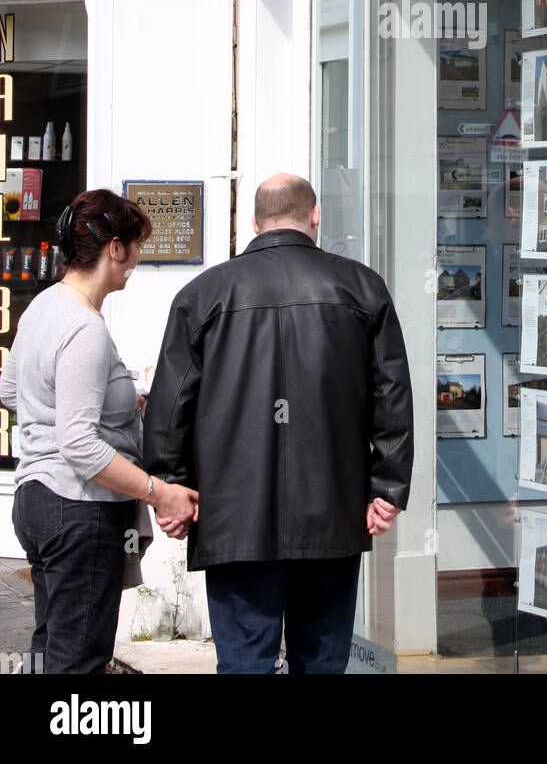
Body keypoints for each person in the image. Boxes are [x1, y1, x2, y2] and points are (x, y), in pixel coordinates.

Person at [143, 173, 413, 675]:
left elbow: (169, 407)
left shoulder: (202, 295)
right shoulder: (362, 288)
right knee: (323, 661)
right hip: (332, 511)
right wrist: (389, 487)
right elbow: (392, 396)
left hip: (232, 517)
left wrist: (170, 488)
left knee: (244, 663)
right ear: (314, 216)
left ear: (255, 222)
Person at [0, 189, 199, 673]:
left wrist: (110, 404)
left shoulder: (42, 308)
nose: (136, 260)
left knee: (52, 647)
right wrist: (160, 494)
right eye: (134, 247)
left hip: (36, 501)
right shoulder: (84, 327)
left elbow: (12, 391)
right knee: (80, 660)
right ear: (114, 248)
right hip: (78, 508)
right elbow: (79, 445)